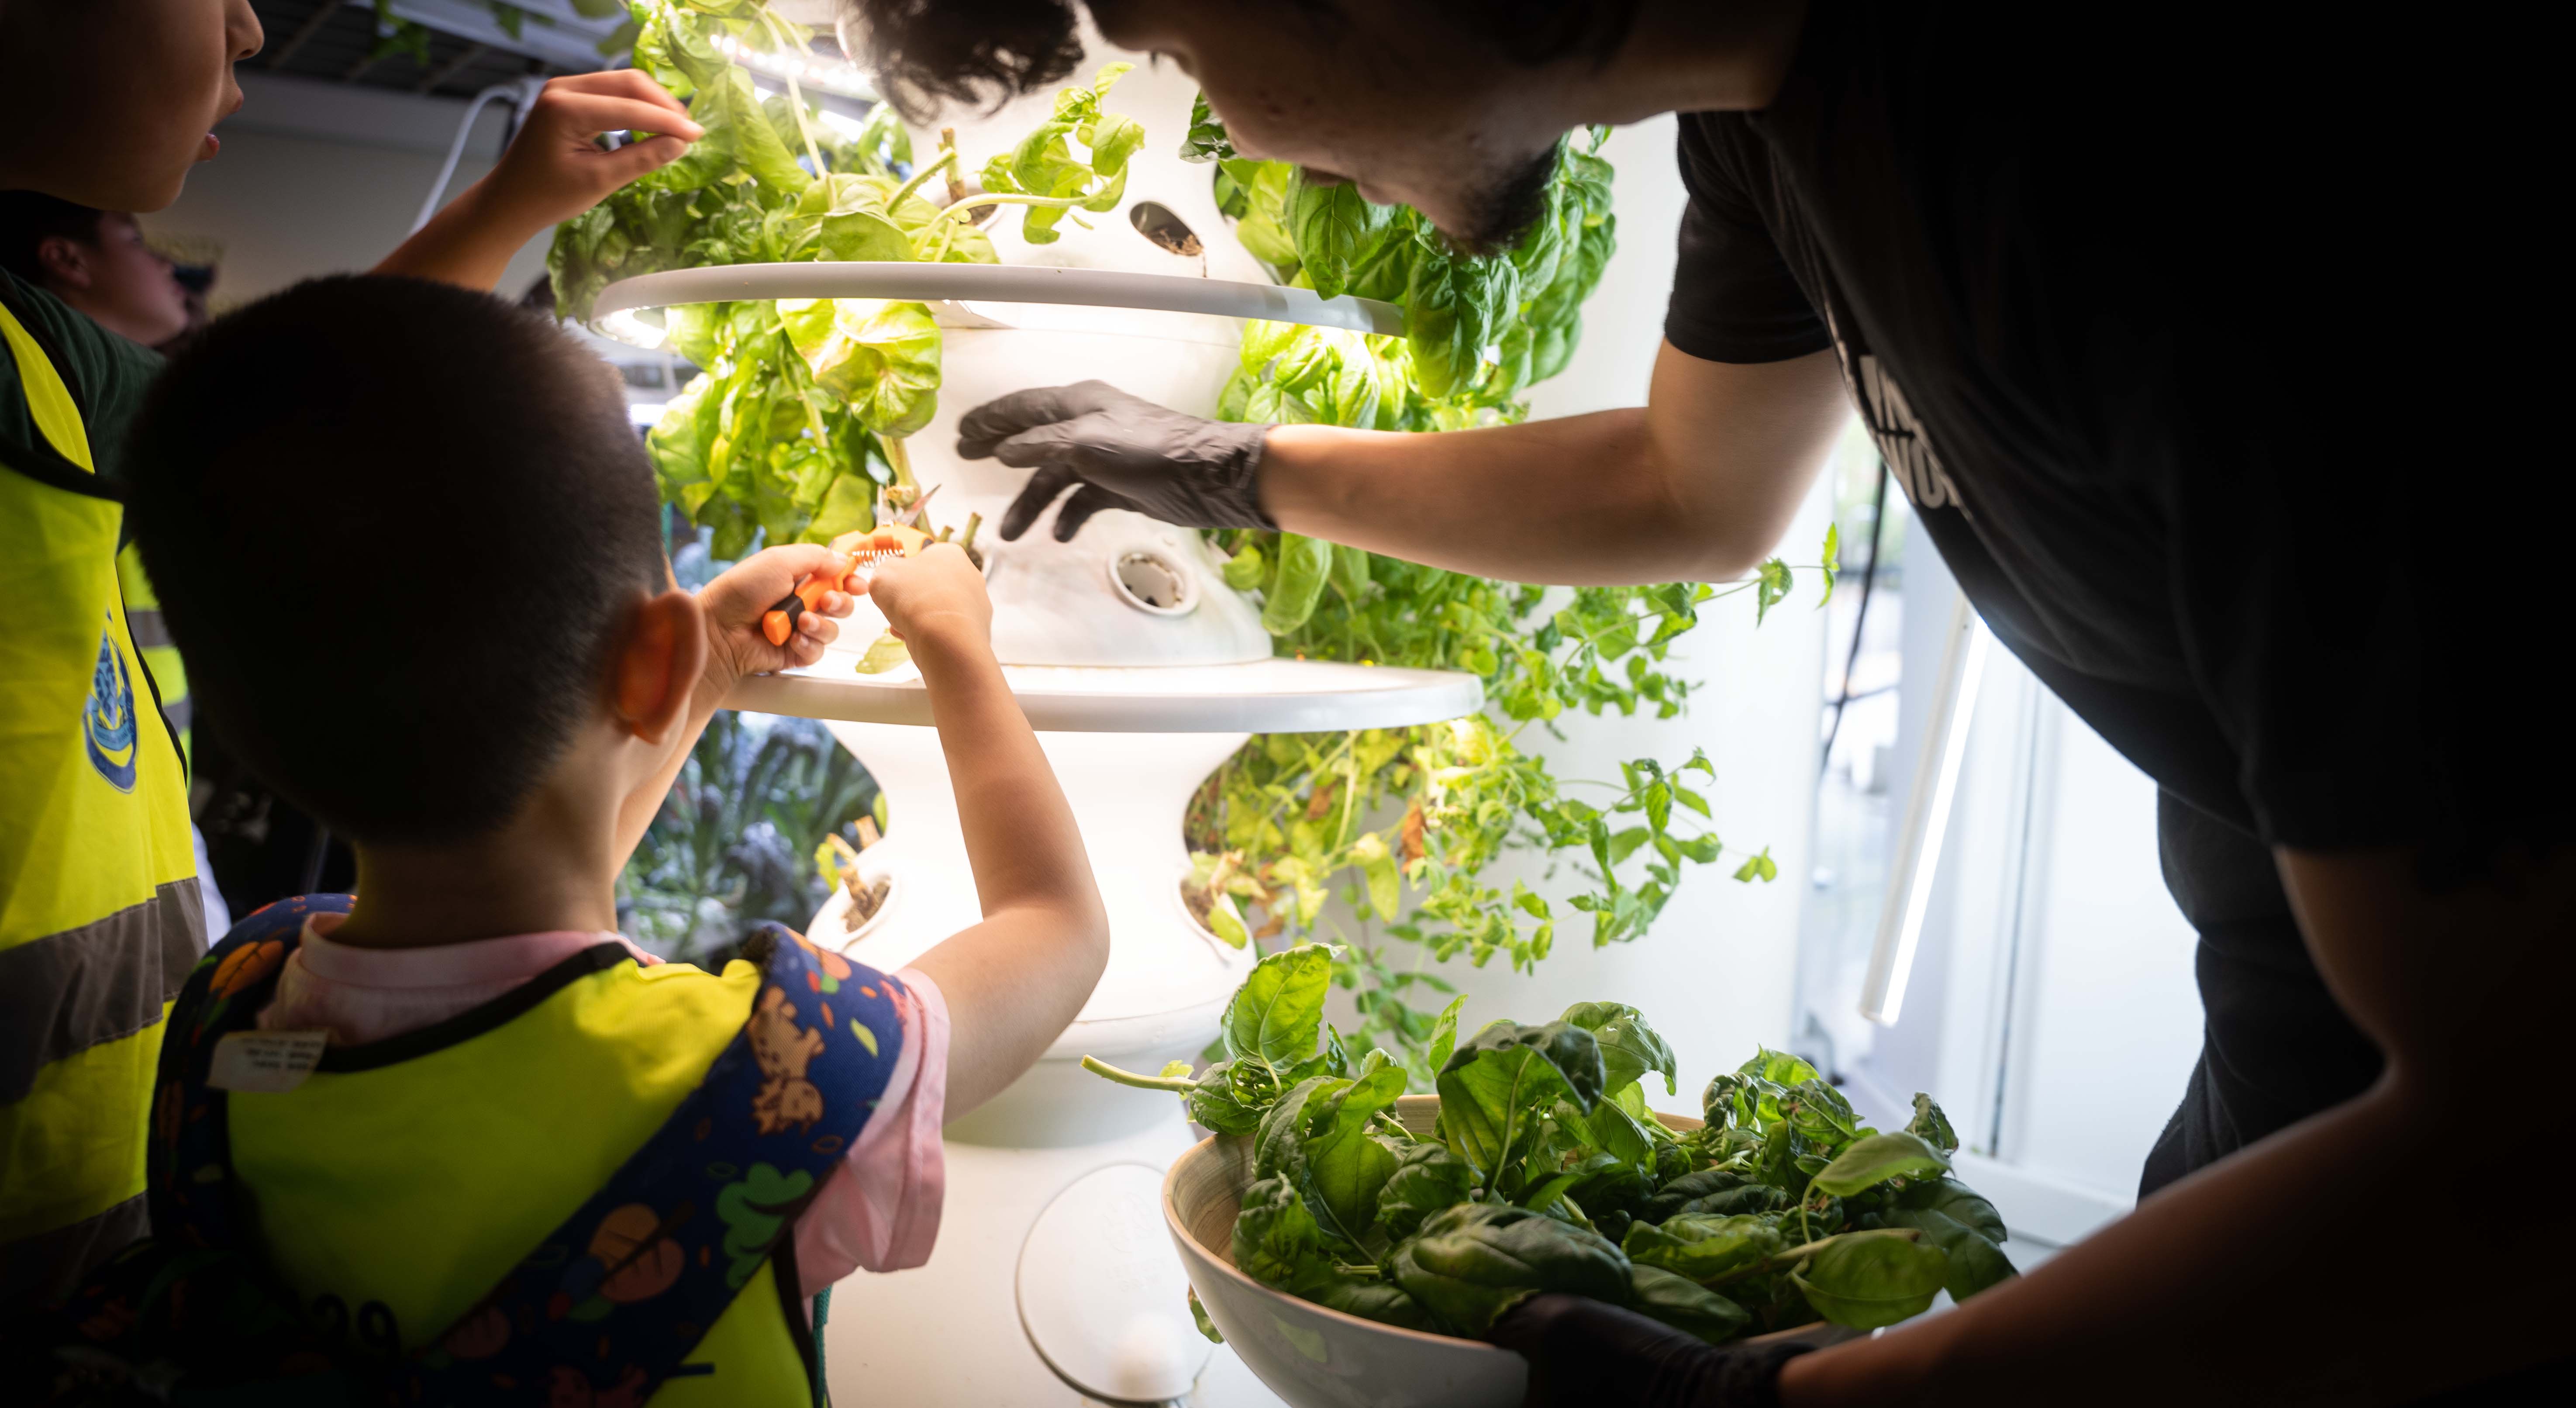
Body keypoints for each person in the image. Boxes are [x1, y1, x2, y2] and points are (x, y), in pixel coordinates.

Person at [838, 1, 2562, 1403]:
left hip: (2435, 1189)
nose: (1239, 135)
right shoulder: (1767, 103)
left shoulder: (2135, 150)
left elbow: (2517, 1144)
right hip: (2286, 1051)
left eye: (1188, 47)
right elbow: (1689, 488)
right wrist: (1239, 469)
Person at [103, 272, 1107, 1401]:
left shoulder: (233, 1007)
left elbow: (526, 931)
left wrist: (704, 664)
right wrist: (956, 640)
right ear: (647, 663)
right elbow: (1055, 929)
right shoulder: (781, 1078)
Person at [0, 0, 710, 1309]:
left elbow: (269, 425)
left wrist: (510, 204)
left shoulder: (35, 355)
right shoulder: (767, 1064)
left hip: (111, 1184)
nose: (249, 28)